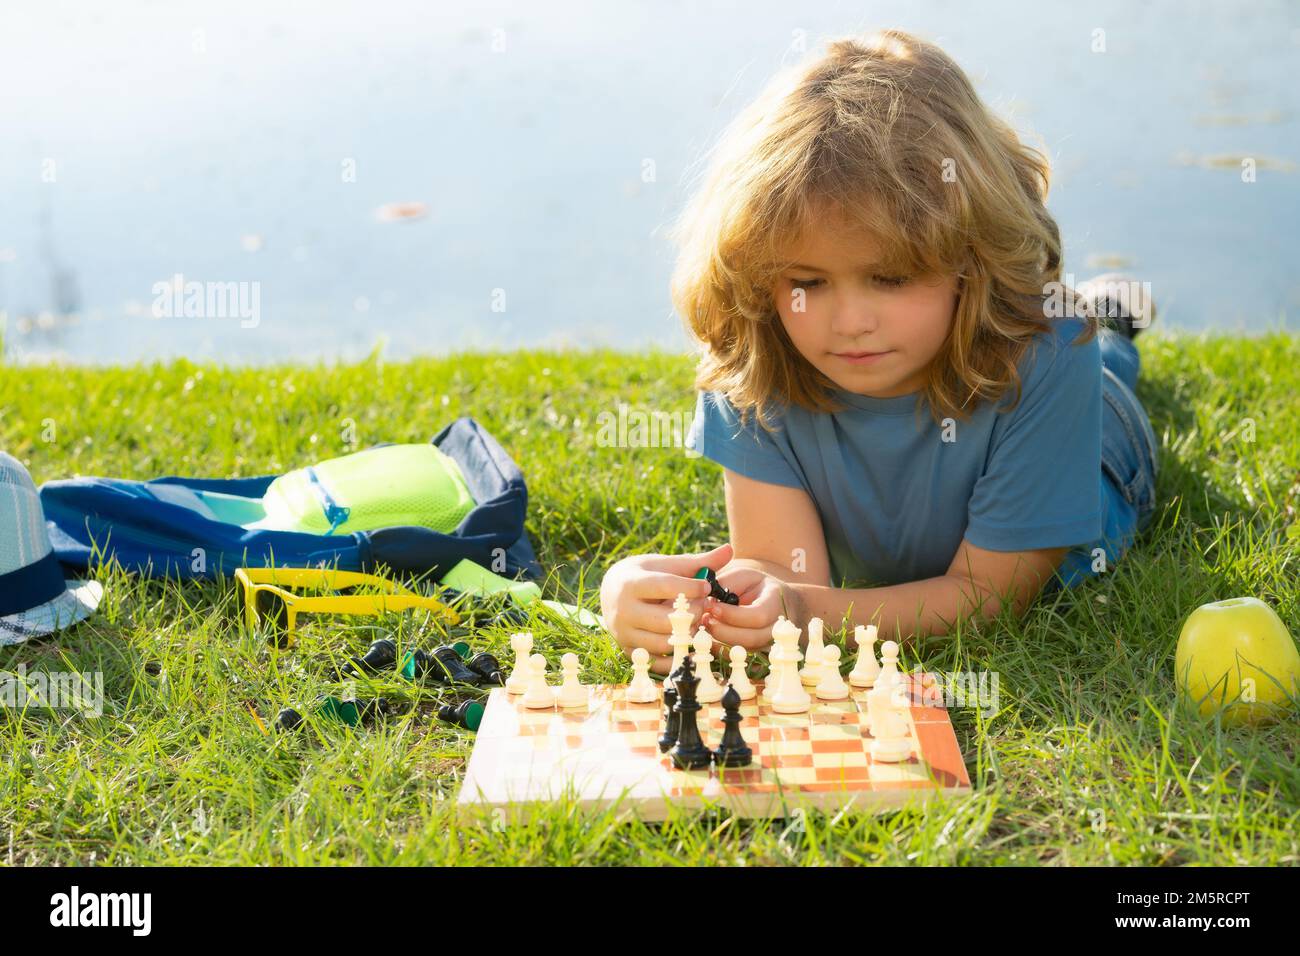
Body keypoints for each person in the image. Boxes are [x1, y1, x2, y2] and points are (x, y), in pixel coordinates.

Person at [599, 30, 1159, 674]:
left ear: (970, 259)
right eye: (807, 282)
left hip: (1101, 452)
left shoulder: (1051, 359)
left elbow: (986, 598)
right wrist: (651, 594)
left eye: (889, 277)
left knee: (1101, 355)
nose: (849, 323)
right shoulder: (758, 357)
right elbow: (782, 570)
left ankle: (1113, 327)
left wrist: (806, 614)